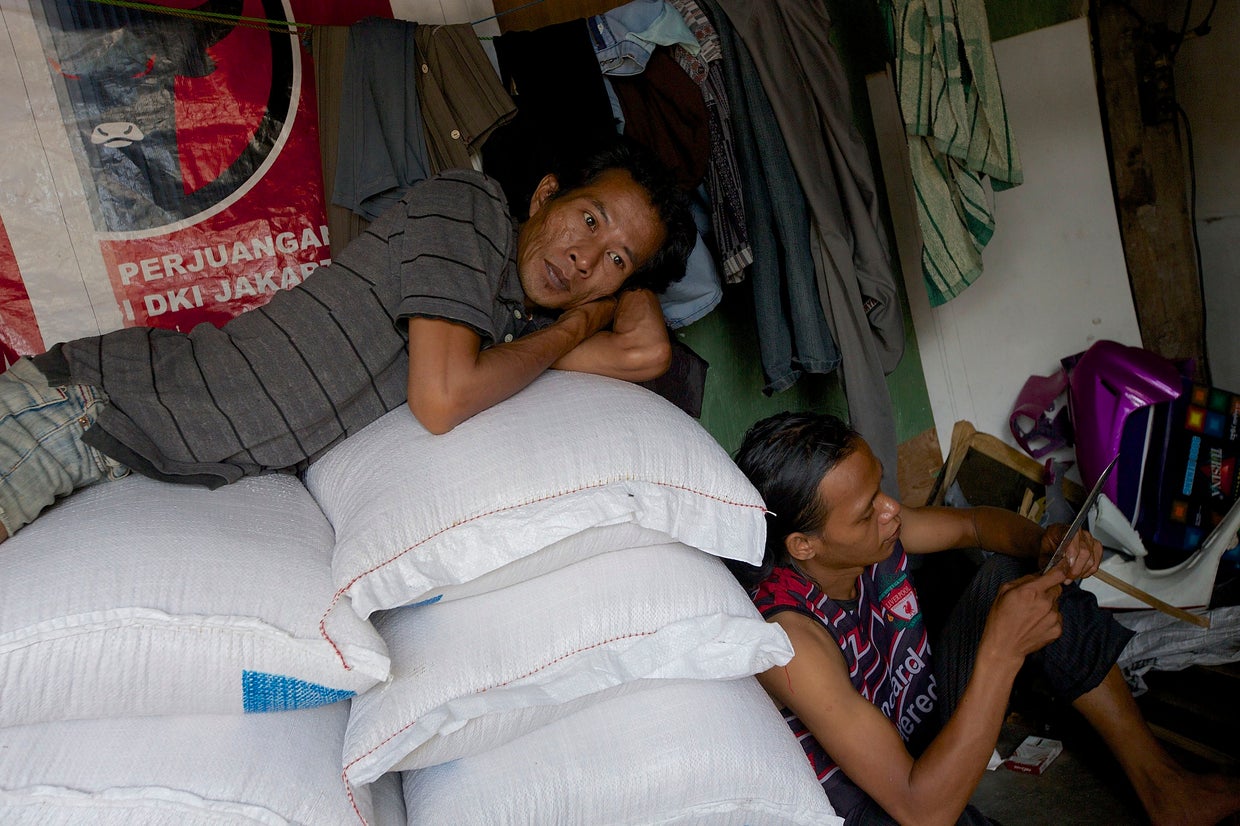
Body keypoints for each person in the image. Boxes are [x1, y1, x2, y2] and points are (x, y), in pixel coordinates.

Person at [0, 140, 695, 543]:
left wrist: (617, 277)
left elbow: (645, 354)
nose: (583, 257)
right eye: (588, 219)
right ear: (545, 194)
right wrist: (582, 316)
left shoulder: (509, 327)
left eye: (616, 259)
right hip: (84, 410)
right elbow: (442, 398)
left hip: (133, 448)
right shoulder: (472, 210)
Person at [730, 411, 1240, 826]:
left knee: (1015, 576)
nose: (891, 510)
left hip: (922, 726)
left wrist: (1042, 541)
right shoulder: (788, 639)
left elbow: (974, 524)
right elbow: (920, 810)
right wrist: (1001, 651)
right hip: (883, 800)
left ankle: (1165, 789)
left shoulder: (876, 535)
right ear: (803, 545)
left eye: (881, 490)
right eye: (868, 512)